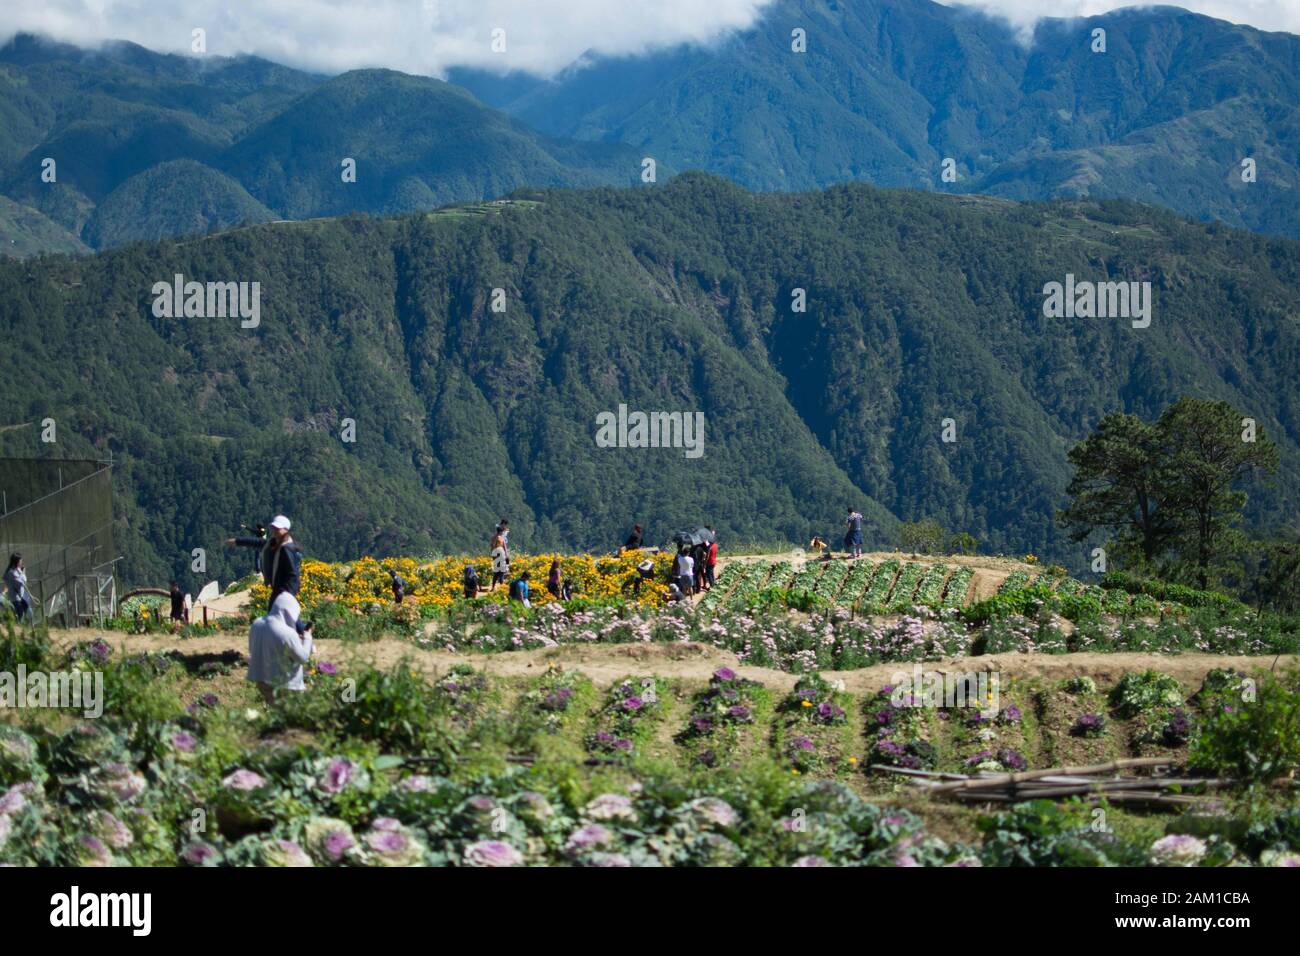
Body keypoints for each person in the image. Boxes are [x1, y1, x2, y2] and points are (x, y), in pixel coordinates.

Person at [246, 591, 314, 704]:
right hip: (285, 684)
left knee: (273, 711)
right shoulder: (288, 633)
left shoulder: (256, 624)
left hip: (262, 680)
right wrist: (307, 638)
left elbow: (252, 649)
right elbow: (302, 658)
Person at [228, 515, 302, 605]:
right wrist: (237, 541)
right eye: (273, 527)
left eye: (277, 528)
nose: (274, 530)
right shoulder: (275, 543)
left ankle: (258, 570)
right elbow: (258, 542)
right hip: (278, 589)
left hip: (284, 592)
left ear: (286, 529)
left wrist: (288, 594)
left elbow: (293, 575)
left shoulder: (286, 549)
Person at [4, 554, 34, 624]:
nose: (21, 562)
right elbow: (22, 582)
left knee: (29, 612)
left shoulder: (18, 570)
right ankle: (18, 627)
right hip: (15, 597)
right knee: (20, 613)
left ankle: (31, 628)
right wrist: (23, 573)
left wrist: (22, 572)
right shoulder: (11, 572)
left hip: (22, 596)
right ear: (16, 561)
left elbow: (23, 581)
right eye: (20, 561)